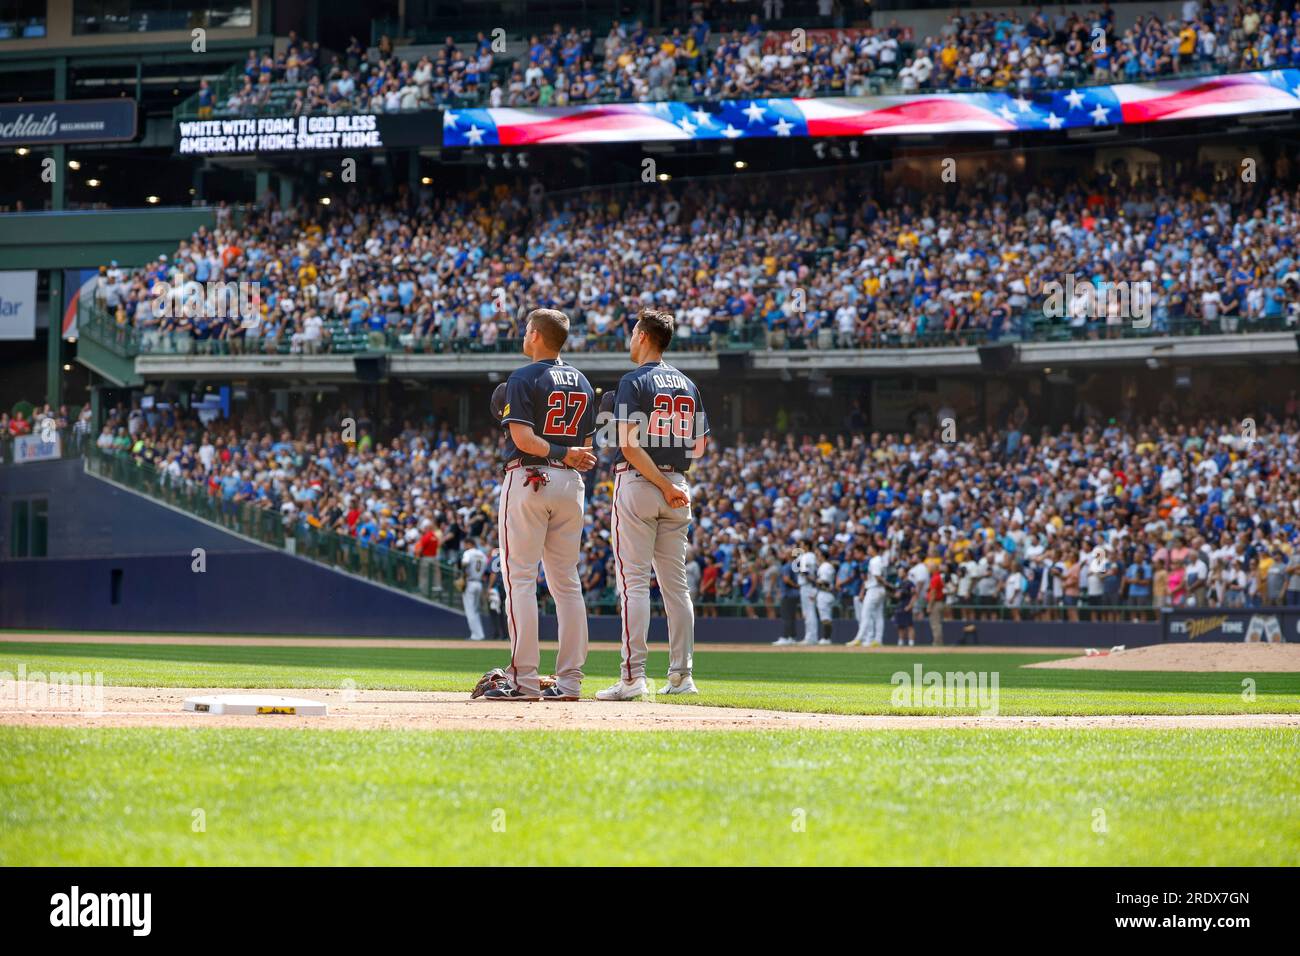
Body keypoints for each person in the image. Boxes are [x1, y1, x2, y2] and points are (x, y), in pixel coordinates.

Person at [597, 308, 709, 700]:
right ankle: (682, 677)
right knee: (677, 589)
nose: (630, 339)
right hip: (678, 486)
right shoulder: (688, 384)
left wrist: (660, 482)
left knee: (634, 586)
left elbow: (628, 443)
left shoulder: (634, 380)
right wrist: (673, 481)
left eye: (632, 332)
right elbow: (700, 445)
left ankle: (633, 679)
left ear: (644, 335)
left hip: (642, 483)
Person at [486, 308, 597, 700]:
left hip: (531, 477)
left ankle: (525, 680)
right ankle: (569, 683)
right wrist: (567, 456)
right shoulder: (583, 380)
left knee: (520, 580)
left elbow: (523, 439)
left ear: (534, 334)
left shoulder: (524, 376)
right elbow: (583, 446)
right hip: (571, 484)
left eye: (525, 329)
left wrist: (561, 454)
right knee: (566, 583)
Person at [772, 547, 802, 645]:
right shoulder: (796, 566)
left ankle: (785, 637)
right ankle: (792, 637)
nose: (783, 555)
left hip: (788, 594)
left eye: (785, 553)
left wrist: (796, 586)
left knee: (786, 616)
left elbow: (786, 579)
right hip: (795, 595)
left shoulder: (786, 566)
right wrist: (797, 587)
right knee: (792, 617)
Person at [460, 539, 487, 640]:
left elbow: (465, 563)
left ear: (469, 544)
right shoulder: (482, 554)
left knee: (470, 610)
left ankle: (475, 635)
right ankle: (480, 634)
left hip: (470, 582)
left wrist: (463, 574)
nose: (464, 546)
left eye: (466, 544)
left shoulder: (468, 553)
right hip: (479, 582)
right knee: (475, 610)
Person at [814, 544, 836, 645]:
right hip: (824, 593)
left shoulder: (825, 566)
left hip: (825, 593)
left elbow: (825, 582)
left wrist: (815, 581)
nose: (817, 556)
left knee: (825, 617)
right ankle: (826, 638)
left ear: (822, 556)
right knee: (825, 617)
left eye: (818, 554)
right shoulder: (824, 566)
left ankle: (826, 638)